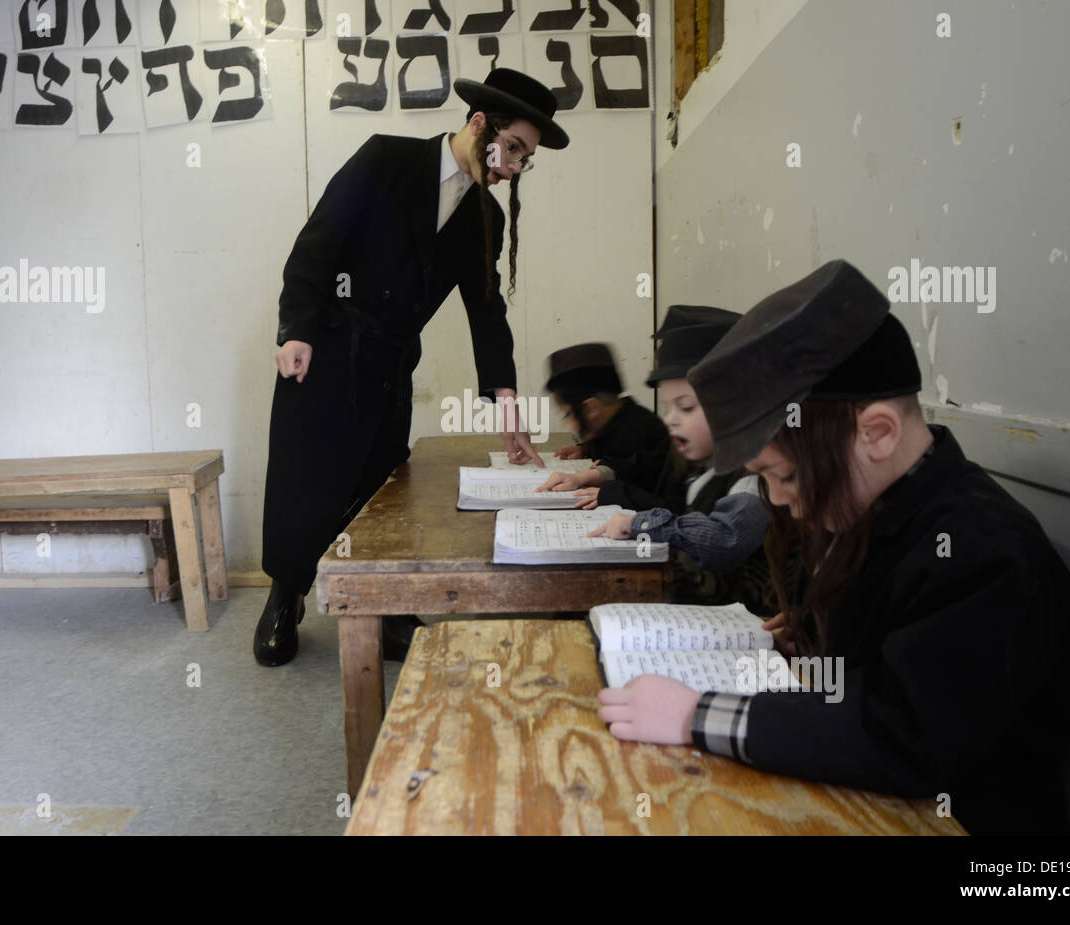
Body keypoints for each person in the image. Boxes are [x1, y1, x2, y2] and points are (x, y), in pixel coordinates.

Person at [598, 260, 1070, 834]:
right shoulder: (884, 511)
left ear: (878, 433)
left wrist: (696, 715)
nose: (781, 500)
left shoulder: (987, 554)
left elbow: (902, 732)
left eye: (785, 476)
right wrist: (817, 630)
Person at [255, 69, 570, 666]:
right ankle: (284, 598)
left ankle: (388, 607)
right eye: (516, 149)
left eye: (526, 158)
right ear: (480, 125)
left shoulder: (487, 219)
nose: (515, 168)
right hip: (324, 349)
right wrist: (294, 329)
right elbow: (316, 243)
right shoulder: (386, 160)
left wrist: (507, 399)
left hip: (390, 365)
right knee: (306, 480)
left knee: (380, 488)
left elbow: (486, 308)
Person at [538, 306, 775, 612]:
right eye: (668, 408)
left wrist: (641, 524)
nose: (672, 420)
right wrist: (597, 475)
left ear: (733, 404)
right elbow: (648, 464)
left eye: (686, 407)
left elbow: (724, 538)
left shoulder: (757, 469)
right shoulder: (694, 456)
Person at [542, 343, 668, 462]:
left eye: (567, 414)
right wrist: (585, 450)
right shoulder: (611, 424)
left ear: (592, 408)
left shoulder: (639, 437)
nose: (567, 425)